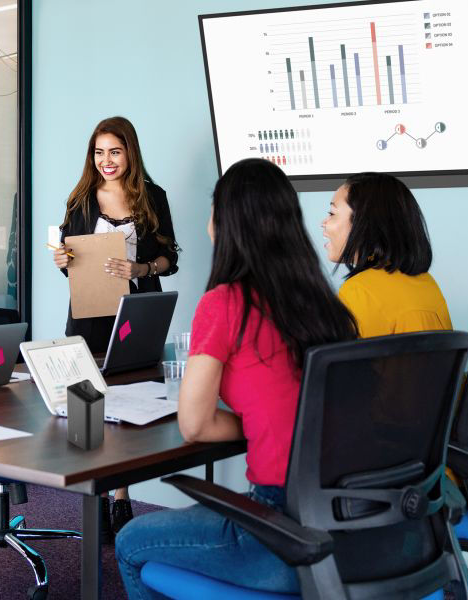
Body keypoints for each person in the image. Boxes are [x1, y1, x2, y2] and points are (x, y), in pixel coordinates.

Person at [115, 159, 358, 598]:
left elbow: (195, 424)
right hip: (351, 529)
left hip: (281, 537)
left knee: (130, 541)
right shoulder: (325, 303)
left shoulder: (225, 302)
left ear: (224, 221)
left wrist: (258, 423)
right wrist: (268, 420)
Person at [52, 116, 180, 537]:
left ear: (130, 153)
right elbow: (68, 257)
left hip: (136, 310)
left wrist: (141, 266)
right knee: (88, 402)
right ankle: (96, 494)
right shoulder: (81, 200)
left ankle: (120, 496)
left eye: (115, 151)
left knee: (128, 399)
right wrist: (62, 261)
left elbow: (169, 260)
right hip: (88, 312)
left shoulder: (152, 197)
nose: (106, 160)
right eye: (99, 152)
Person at [321, 172, 452, 337]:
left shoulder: (360, 291)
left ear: (364, 223)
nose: (323, 223)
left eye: (332, 213)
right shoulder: (427, 284)